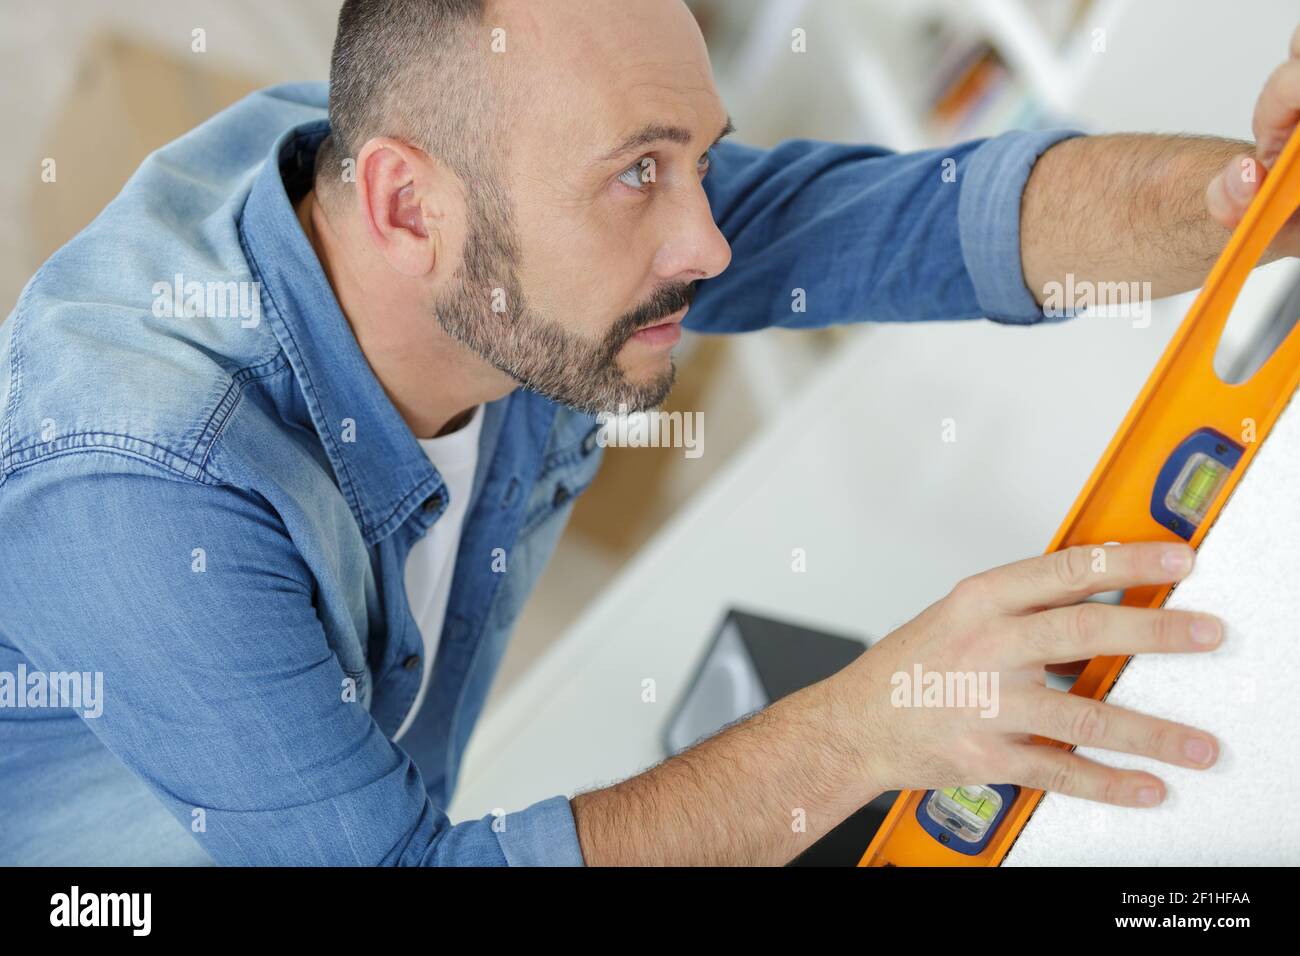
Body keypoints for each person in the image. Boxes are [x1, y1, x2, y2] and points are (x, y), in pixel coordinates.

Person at [0, 0, 1296, 865]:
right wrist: (862, 727)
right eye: (638, 175)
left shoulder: (443, 182)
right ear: (407, 209)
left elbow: (895, 224)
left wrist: (1248, 199)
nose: (711, 243)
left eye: (697, 161)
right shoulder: (137, 488)